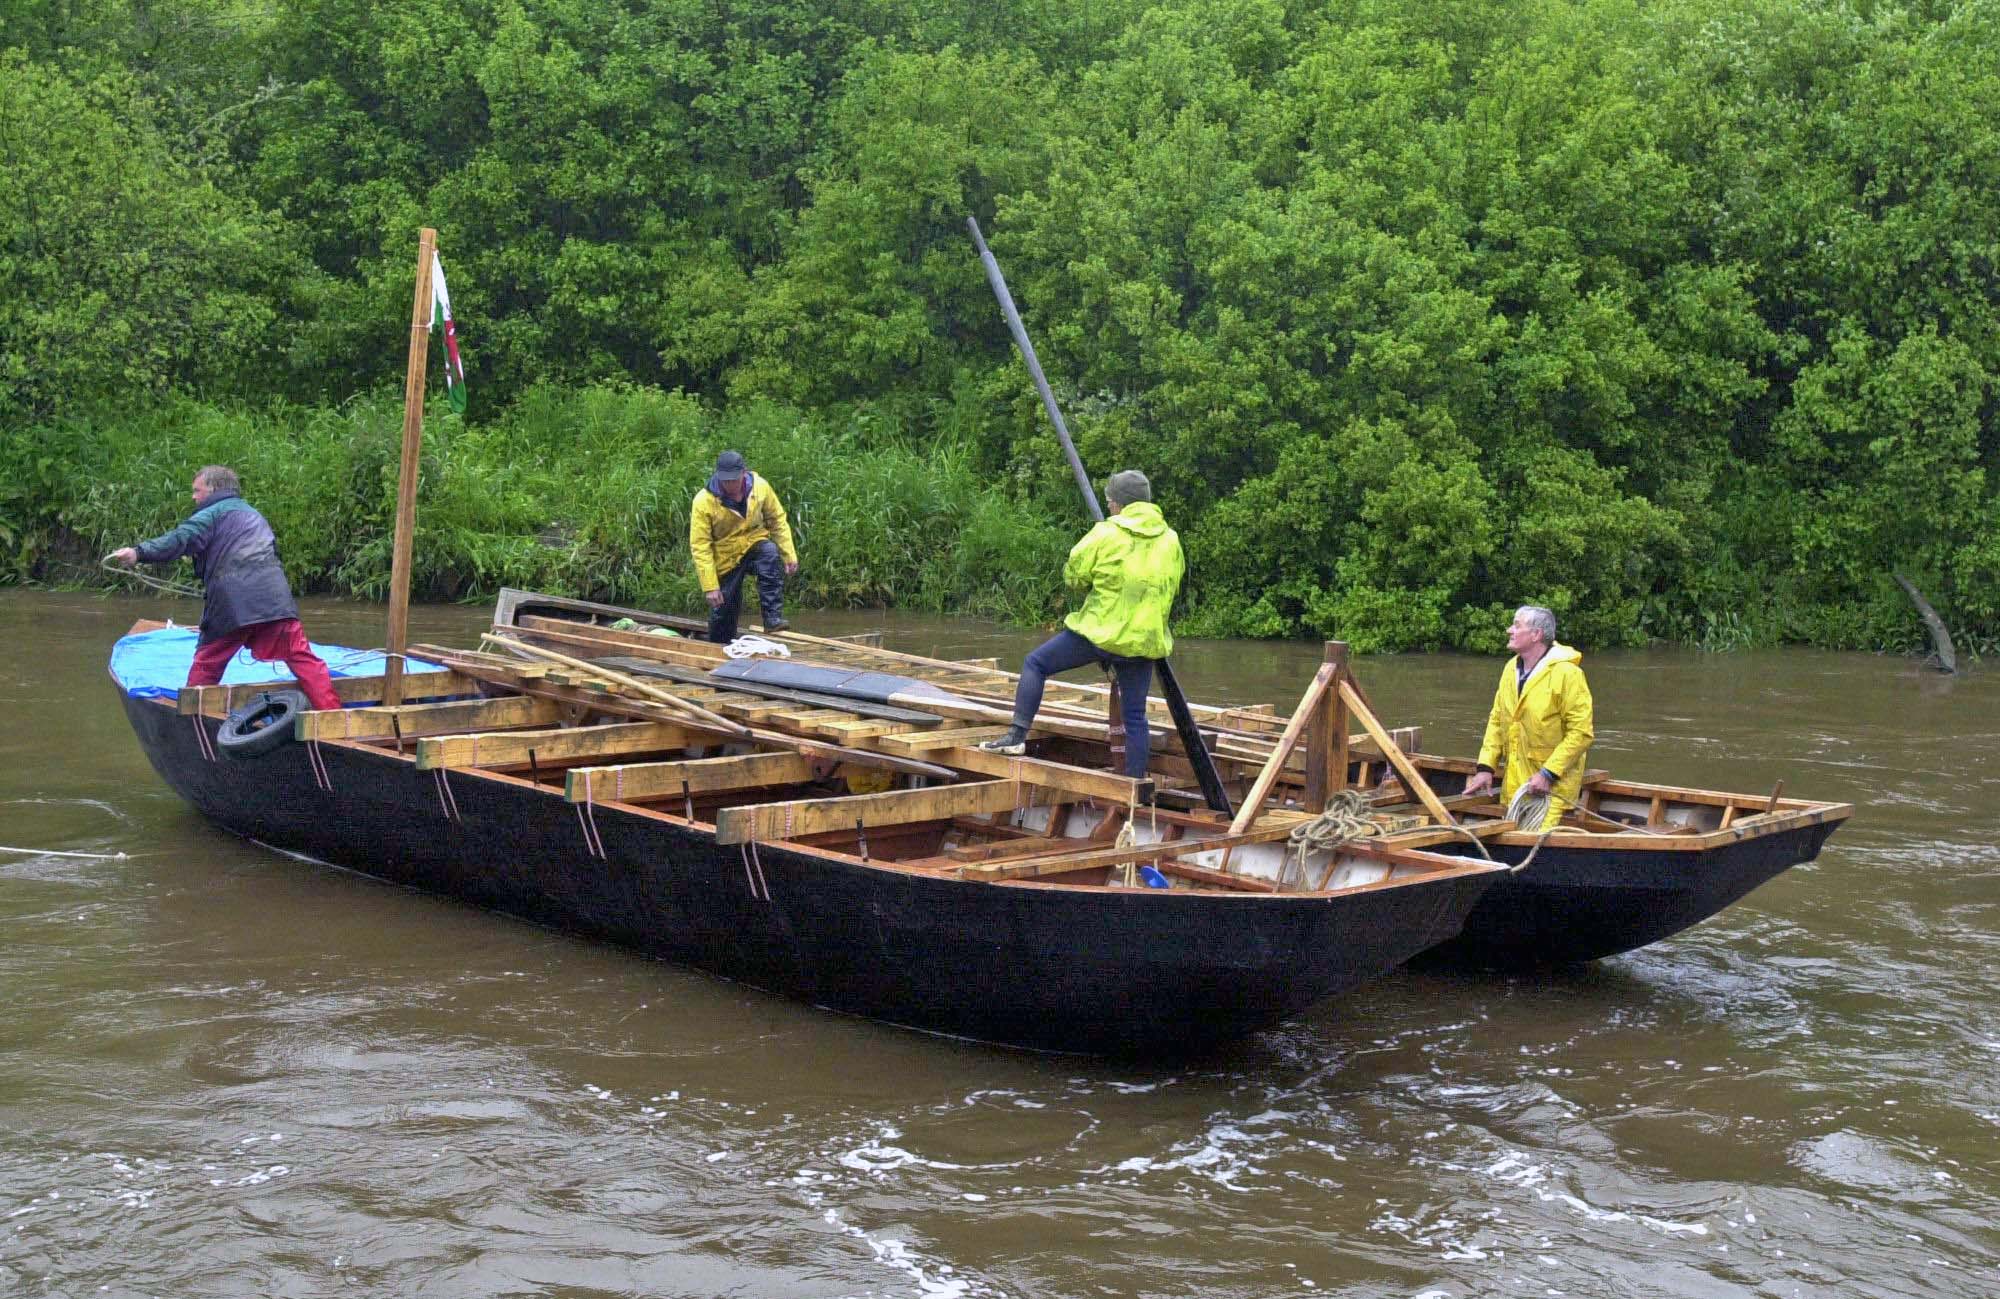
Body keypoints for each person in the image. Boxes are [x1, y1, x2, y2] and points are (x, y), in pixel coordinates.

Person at [979, 470, 1183, 779]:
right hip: (1144, 641)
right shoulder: (1171, 540)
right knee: (1135, 716)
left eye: (1110, 501)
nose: (1109, 506)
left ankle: (1016, 737)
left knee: (1035, 664)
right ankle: (1136, 783)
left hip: (1101, 633)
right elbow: (1172, 587)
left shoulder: (1105, 533)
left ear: (1120, 504)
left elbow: (1074, 576)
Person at [108, 465, 342, 712]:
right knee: (303, 659)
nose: (193, 497)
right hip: (275, 600)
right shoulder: (255, 515)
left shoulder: (211, 514)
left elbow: (180, 539)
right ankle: (336, 716)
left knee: (207, 664)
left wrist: (138, 552)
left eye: (197, 490)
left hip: (231, 604)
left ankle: (192, 719)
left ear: (213, 489)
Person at [1463, 605, 1594, 831]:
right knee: (1513, 839)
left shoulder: (1568, 674)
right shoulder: (1510, 669)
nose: (1509, 630)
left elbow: (1581, 733)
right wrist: (1486, 767)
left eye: (1516, 626)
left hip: (1550, 789)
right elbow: (1497, 720)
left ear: (1536, 635)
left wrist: (1547, 774)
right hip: (1515, 785)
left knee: (1532, 842)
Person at [690, 450, 798, 644]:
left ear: (744, 472)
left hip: (754, 543)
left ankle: (772, 619)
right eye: (725, 480)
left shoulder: (760, 487)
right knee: (723, 611)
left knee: (769, 554)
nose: (730, 485)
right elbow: (700, 546)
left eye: (734, 480)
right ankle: (719, 645)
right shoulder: (703, 501)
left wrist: (789, 554)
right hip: (725, 556)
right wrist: (710, 586)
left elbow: (777, 520)